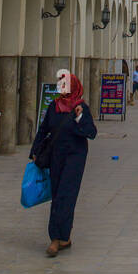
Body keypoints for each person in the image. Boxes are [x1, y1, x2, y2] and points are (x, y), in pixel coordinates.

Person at [30, 69, 97, 257]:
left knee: (66, 195)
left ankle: (57, 238)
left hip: (75, 156)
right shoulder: (54, 106)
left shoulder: (81, 107)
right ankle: (62, 237)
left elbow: (91, 133)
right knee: (57, 192)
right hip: (56, 155)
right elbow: (43, 130)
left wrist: (79, 118)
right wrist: (35, 152)